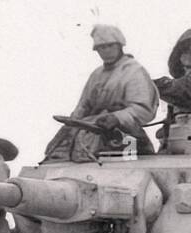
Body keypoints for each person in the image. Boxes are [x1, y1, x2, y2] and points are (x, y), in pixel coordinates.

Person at [44, 24, 158, 161]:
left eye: (110, 46)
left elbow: (143, 109)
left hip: (126, 139)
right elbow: (83, 106)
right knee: (56, 155)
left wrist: (117, 118)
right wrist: (70, 125)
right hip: (90, 133)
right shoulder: (96, 75)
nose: (106, 51)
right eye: (101, 48)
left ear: (119, 45)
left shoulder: (134, 71)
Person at [156, 29, 191, 146]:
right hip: (178, 136)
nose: (190, 53)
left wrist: (148, 84)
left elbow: (182, 88)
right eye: (184, 50)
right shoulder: (177, 84)